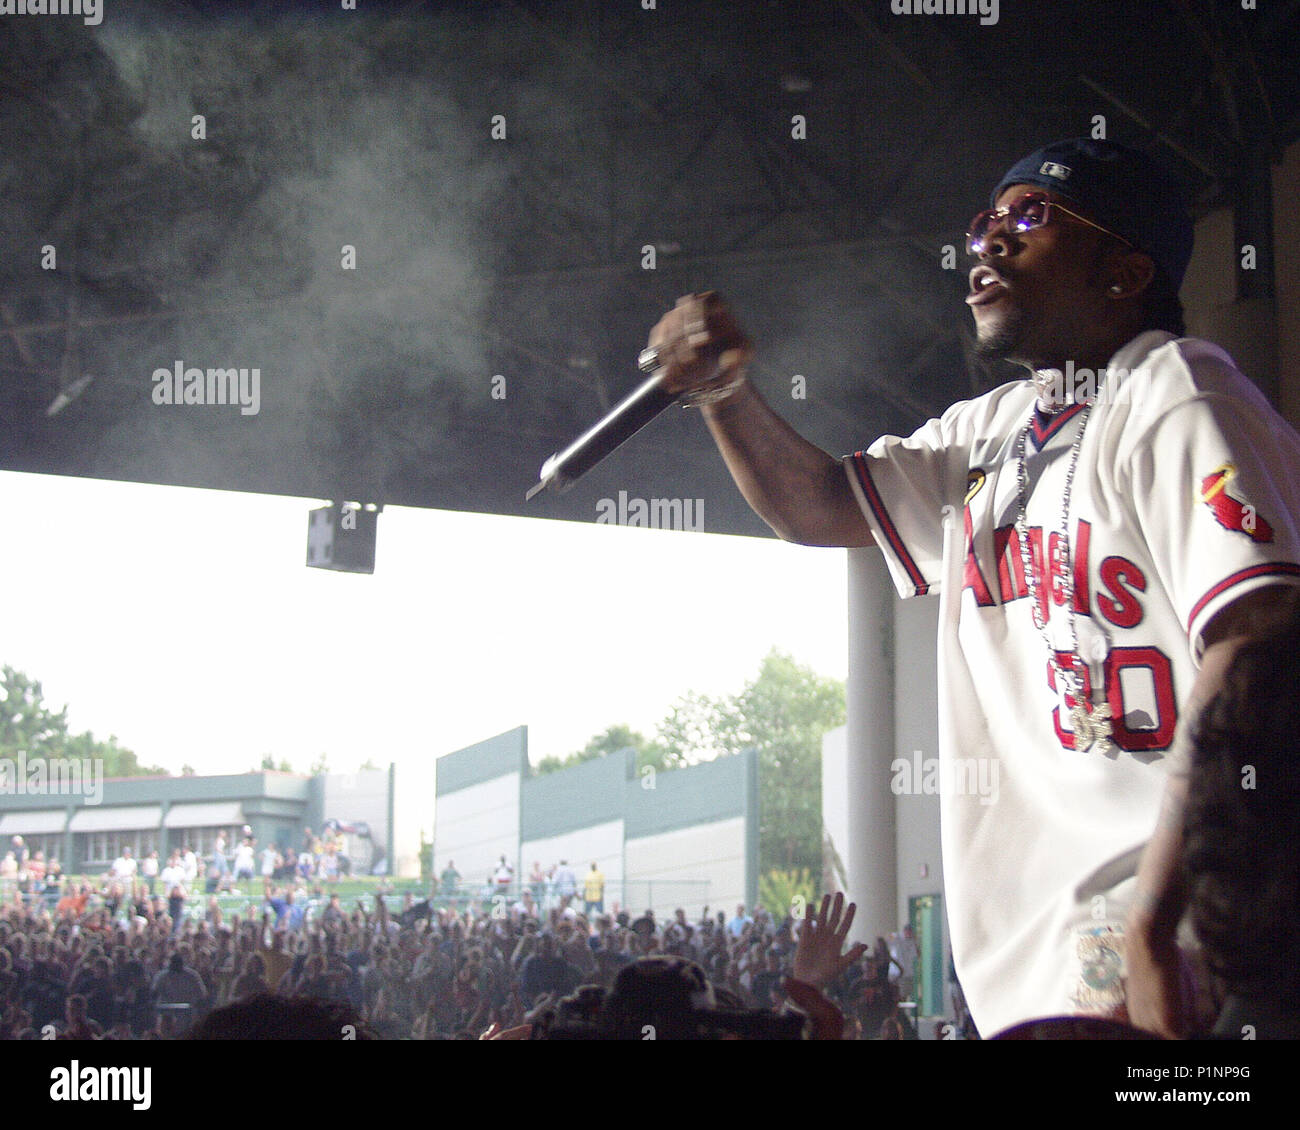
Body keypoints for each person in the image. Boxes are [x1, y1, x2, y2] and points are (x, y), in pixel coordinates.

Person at [644, 137, 1300, 1036]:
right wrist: (724, 394)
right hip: (1031, 972)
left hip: (1175, 945)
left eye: (1030, 219)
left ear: (1123, 271)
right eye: (984, 222)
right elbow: (821, 506)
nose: (988, 243)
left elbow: (1257, 641)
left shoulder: (1176, 392)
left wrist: (1157, 919)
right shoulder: (990, 430)